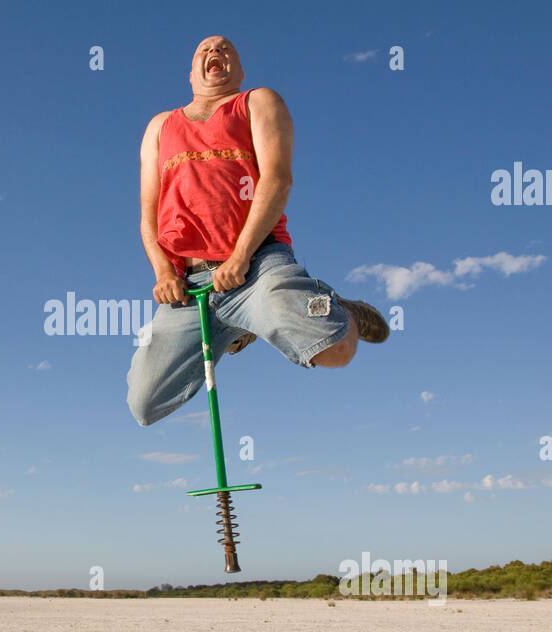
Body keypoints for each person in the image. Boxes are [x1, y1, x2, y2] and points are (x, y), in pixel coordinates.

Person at [127, 35, 389, 426]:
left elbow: (278, 180)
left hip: (255, 263)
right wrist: (163, 272)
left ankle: (341, 308)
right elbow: (149, 212)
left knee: (335, 350)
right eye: (205, 50)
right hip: (189, 282)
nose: (215, 53)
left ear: (239, 69)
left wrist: (241, 254)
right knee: (144, 406)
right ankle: (239, 329)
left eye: (225, 49)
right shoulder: (160, 127)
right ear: (191, 73)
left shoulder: (256, 102)